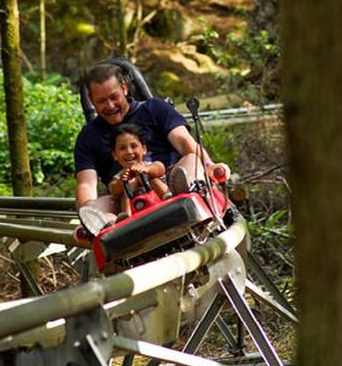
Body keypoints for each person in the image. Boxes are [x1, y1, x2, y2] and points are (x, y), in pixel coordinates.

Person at [74, 62, 229, 236]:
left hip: (169, 180)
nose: (110, 106)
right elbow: (86, 183)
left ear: (124, 89)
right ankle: (109, 225)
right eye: (102, 101)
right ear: (92, 100)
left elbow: (184, 141)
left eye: (114, 97)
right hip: (126, 197)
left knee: (192, 159)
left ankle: (185, 193)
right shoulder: (88, 137)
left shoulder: (154, 109)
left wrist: (209, 166)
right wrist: (86, 208)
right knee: (94, 207)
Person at [108, 123, 171, 219]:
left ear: (144, 149)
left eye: (133, 146)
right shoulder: (121, 175)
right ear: (115, 155)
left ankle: (168, 198)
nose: (129, 152)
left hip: (160, 202)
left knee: (151, 178)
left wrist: (147, 170)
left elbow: (160, 168)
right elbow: (113, 189)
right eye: (122, 148)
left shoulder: (150, 165)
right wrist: (122, 182)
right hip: (136, 211)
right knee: (127, 185)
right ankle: (127, 217)